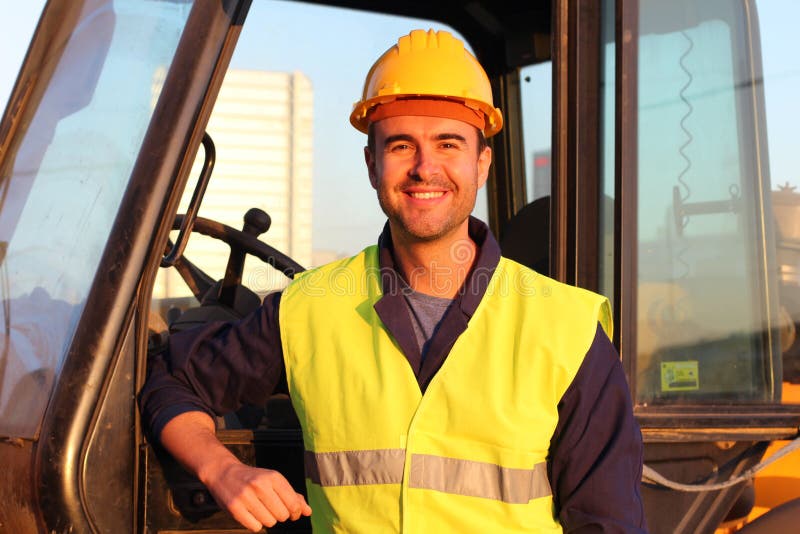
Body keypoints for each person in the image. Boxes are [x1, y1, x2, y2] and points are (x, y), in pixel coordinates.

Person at [139, 29, 646, 533]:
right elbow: (171, 380)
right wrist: (221, 468)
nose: (425, 168)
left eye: (448, 144)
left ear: (482, 162)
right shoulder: (307, 310)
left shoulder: (567, 331)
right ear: (371, 163)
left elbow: (609, 523)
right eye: (402, 145)